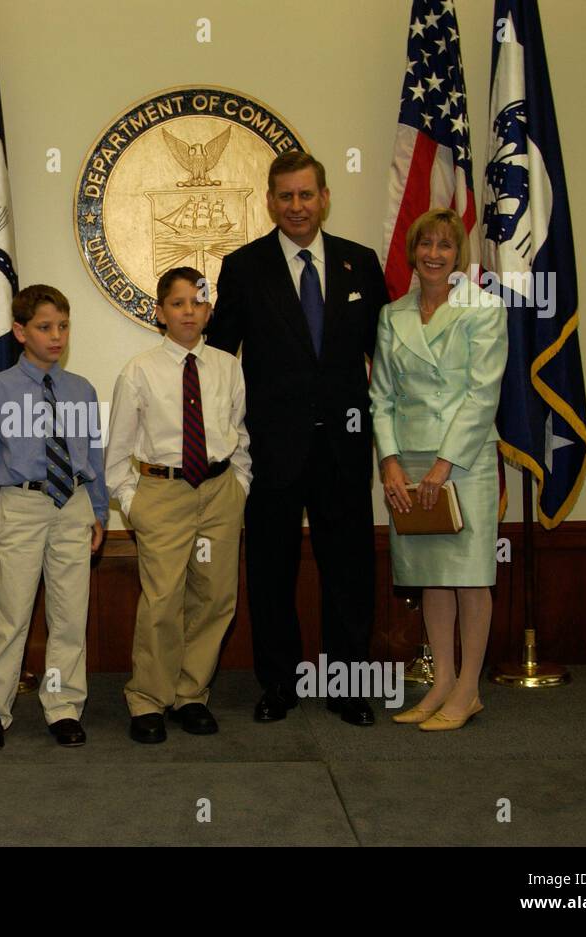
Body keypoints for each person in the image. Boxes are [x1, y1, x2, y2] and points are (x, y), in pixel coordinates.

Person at [208, 151, 388, 726]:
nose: (296, 206)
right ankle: (278, 685)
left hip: (345, 445)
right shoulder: (243, 268)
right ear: (269, 201)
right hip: (271, 451)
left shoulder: (362, 264)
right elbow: (218, 364)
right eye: (285, 196)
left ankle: (348, 686)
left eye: (306, 195)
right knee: (270, 570)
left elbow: (385, 363)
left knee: (350, 569)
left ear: (325, 197)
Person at [369, 208, 507, 730]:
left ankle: (469, 688)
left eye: (444, 246)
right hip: (409, 464)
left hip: (463, 462)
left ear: (458, 255)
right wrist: (389, 464)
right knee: (431, 578)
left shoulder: (484, 309)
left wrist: (443, 467)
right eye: (425, 244)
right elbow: (380, 398)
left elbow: (481, 394)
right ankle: (442, 681)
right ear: (412, 250)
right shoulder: (392, 315)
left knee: (469, 576)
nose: (433, 254)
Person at [0, 284, 108, 749]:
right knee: (11, 612)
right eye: (45, 327)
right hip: (20, 505)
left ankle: (62, 707)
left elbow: (92, 456)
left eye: (63, 326)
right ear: (20, 332)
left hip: (73, 504)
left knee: (68, 615)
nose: (56, 336)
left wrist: (98, 511)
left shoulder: (81, 389)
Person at [105, 267, 252, 743]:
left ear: (209, 311)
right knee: (163, 598)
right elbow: (118, 451)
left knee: (213, 597)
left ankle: (191, 695)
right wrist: (134, 503)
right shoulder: (139, 371)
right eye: (178, 303)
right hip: (163, 495)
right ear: (160, 311)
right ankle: (148, 699)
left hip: (218, 492)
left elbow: (240, 434)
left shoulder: (228, 367)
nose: (189, 311)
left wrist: (240, 485)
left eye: (198, 302)